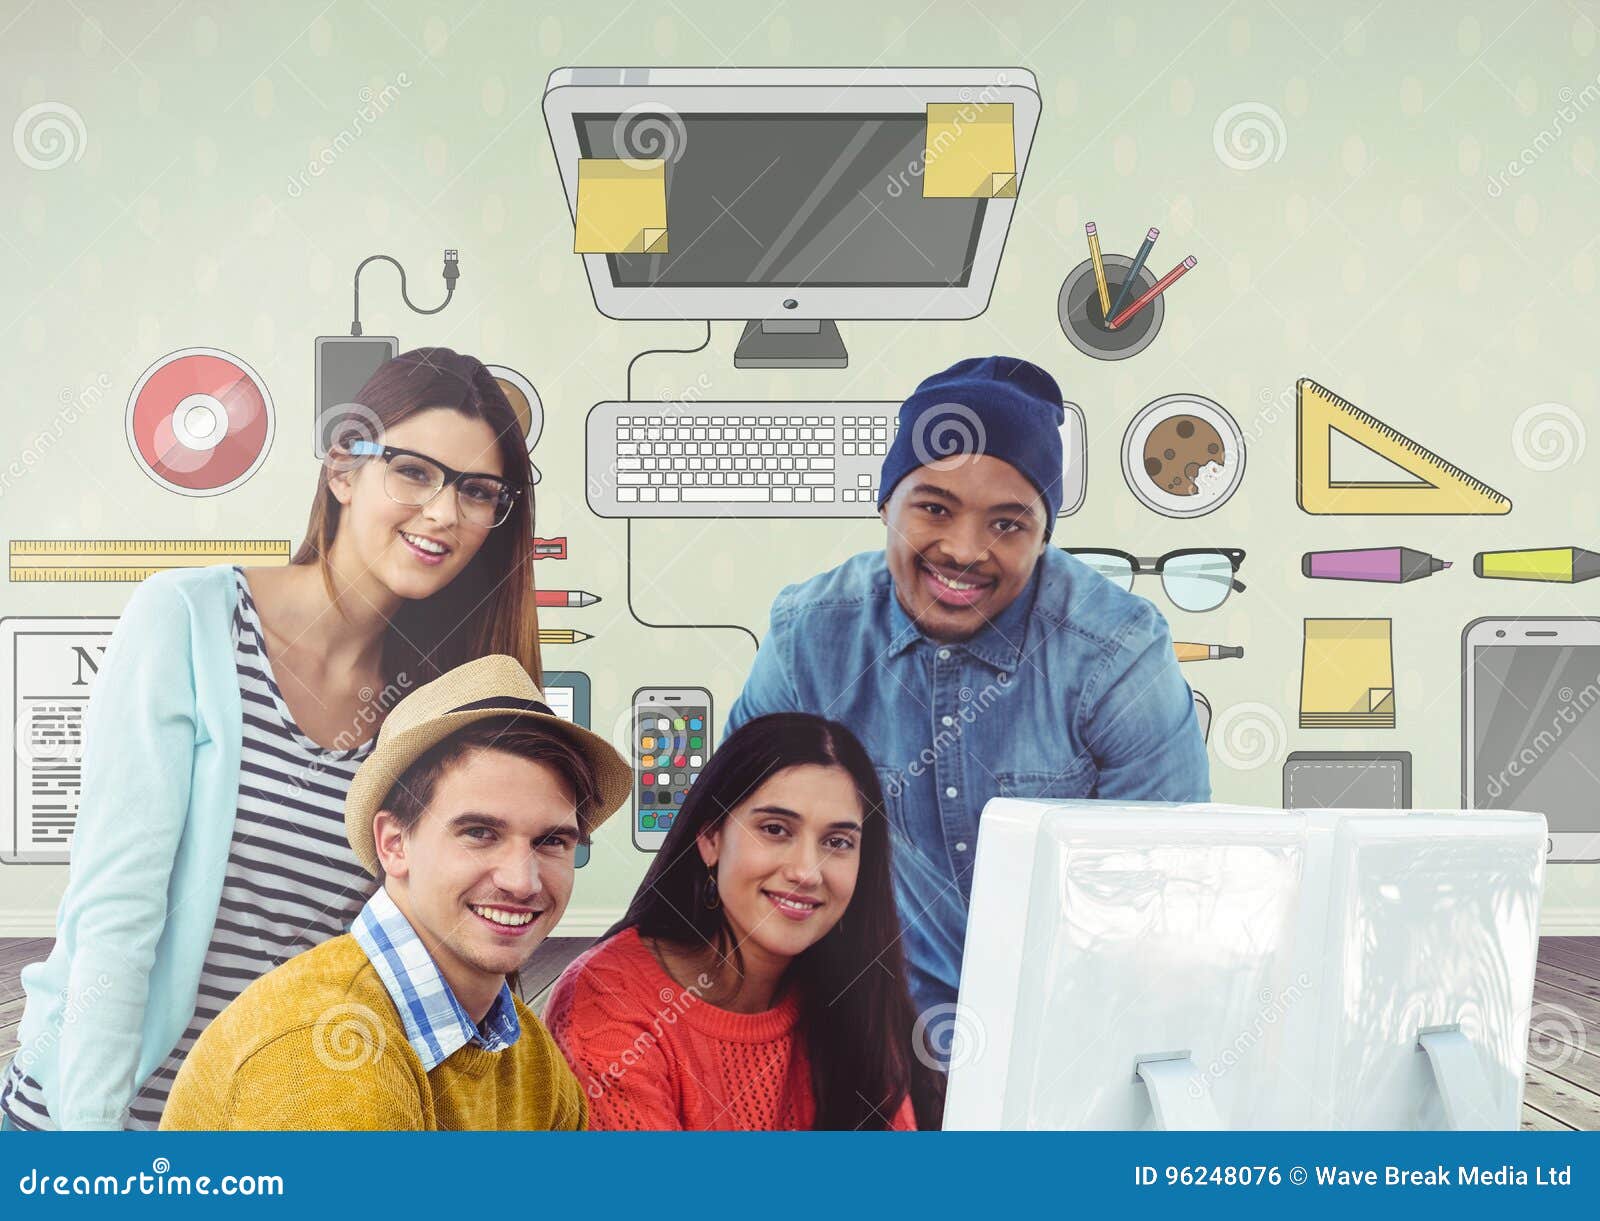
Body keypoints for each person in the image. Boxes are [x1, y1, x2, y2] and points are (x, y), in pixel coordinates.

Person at [3, 348, 542, 1131]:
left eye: (477, 491)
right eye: (415, 472)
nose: (443, 513)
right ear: (343, 467)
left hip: (270, 1127)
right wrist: (94, 1152)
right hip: (96, 1120)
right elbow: (115, 914)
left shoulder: (435, 702)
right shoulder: (190, 621)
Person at [726, 356, 1211, 1034]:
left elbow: (1168, 884)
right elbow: (733, 843)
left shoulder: (1118, 653)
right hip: (853, 1026)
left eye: (1008, 524)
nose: (964, 550)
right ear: (886, 504)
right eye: (934, 508)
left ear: (1044, 538)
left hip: (1061, 1025)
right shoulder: (807, 636)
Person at [161, 656, 631, 1130]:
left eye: (551, 842)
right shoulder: (324, 1051)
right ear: (394, 844)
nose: (522, 881)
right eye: (479, 833)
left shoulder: (526, 1051)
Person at [545, 713, 937, 1131]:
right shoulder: (610, 1005)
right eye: (775, 829)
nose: (807, 871)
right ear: (710, 838)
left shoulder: (860, 997)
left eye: (837, 842)